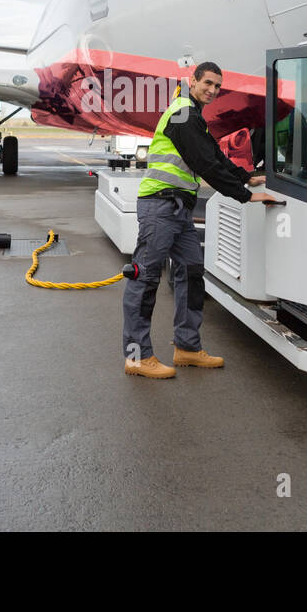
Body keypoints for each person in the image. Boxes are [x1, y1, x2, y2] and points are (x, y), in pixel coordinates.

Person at [122, 62, 277, 379]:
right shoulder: (182, 114)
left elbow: (215, 156)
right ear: (191, 81)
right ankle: (137, 356)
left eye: (218, 86)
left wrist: (246, 178)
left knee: (192, 273)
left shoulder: (194, 117)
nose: (213, 90)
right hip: (159, 206)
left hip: (179, 209)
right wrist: (244, 195)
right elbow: (205, 162)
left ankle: (187, 347)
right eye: (208, 83)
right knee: (145, 279)